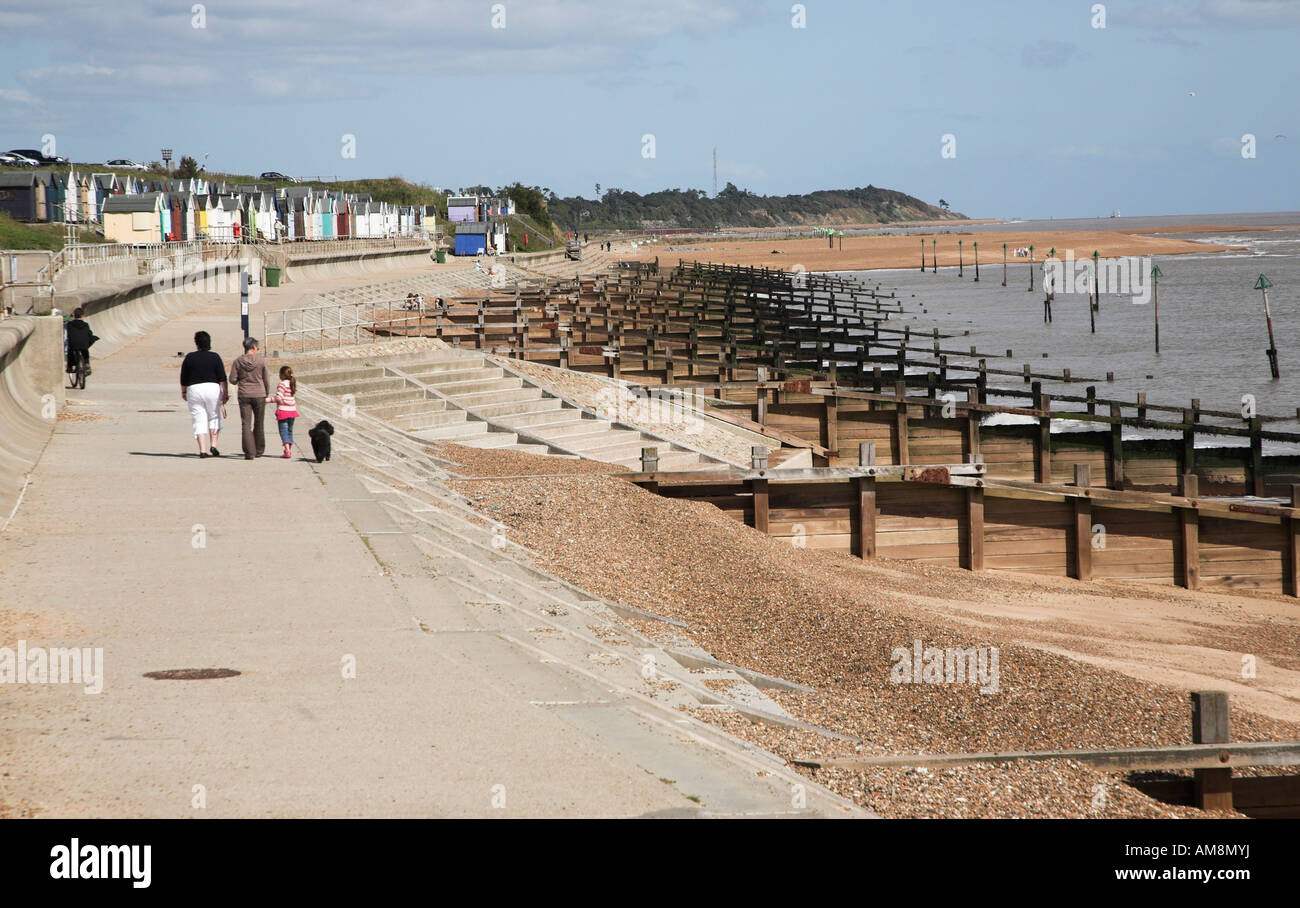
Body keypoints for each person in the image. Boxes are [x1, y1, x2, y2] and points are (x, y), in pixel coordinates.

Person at [180, 330, 228, 458]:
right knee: (214, 416)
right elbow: (222, 378)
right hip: (213, 388)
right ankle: (214, 444)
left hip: (194, 389)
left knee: (198, 418)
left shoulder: (189, 357)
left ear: (196, 343)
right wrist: (225, 393)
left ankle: (202, 450)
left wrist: (184, 392)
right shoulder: (215, 357)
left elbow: (183, 377)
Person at [227, 336, 272, 460]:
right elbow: (266, 379)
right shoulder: (261, 361)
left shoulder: (238, 361)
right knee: (259, 423)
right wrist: (266, 392)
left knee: (246, 424)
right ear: (253, 347)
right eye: (257, 347)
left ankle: (249, 452)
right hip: (259, 394)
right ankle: (259, 450)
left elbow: (232, 379)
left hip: (244, 394)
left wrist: (241, 379)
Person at [269, 365, 299, 458]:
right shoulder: (292, 383)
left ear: (282, 374)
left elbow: (279, 397)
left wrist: (267, 400)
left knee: (283, 431)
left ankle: (287, 450)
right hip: (292, 411)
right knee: (290, 431)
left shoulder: (282, 384)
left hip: (283, 411)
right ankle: (289, 450)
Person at [64, 307, 97, 376]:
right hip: (84, 344)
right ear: (82, 316)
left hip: (73, 344)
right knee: (85, 351)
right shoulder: (85, 325)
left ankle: (70, 367)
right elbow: (89, 334)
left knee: (70, 351)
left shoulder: (70, 324)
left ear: (74, 315)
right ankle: (86, 363)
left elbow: (68, 334)